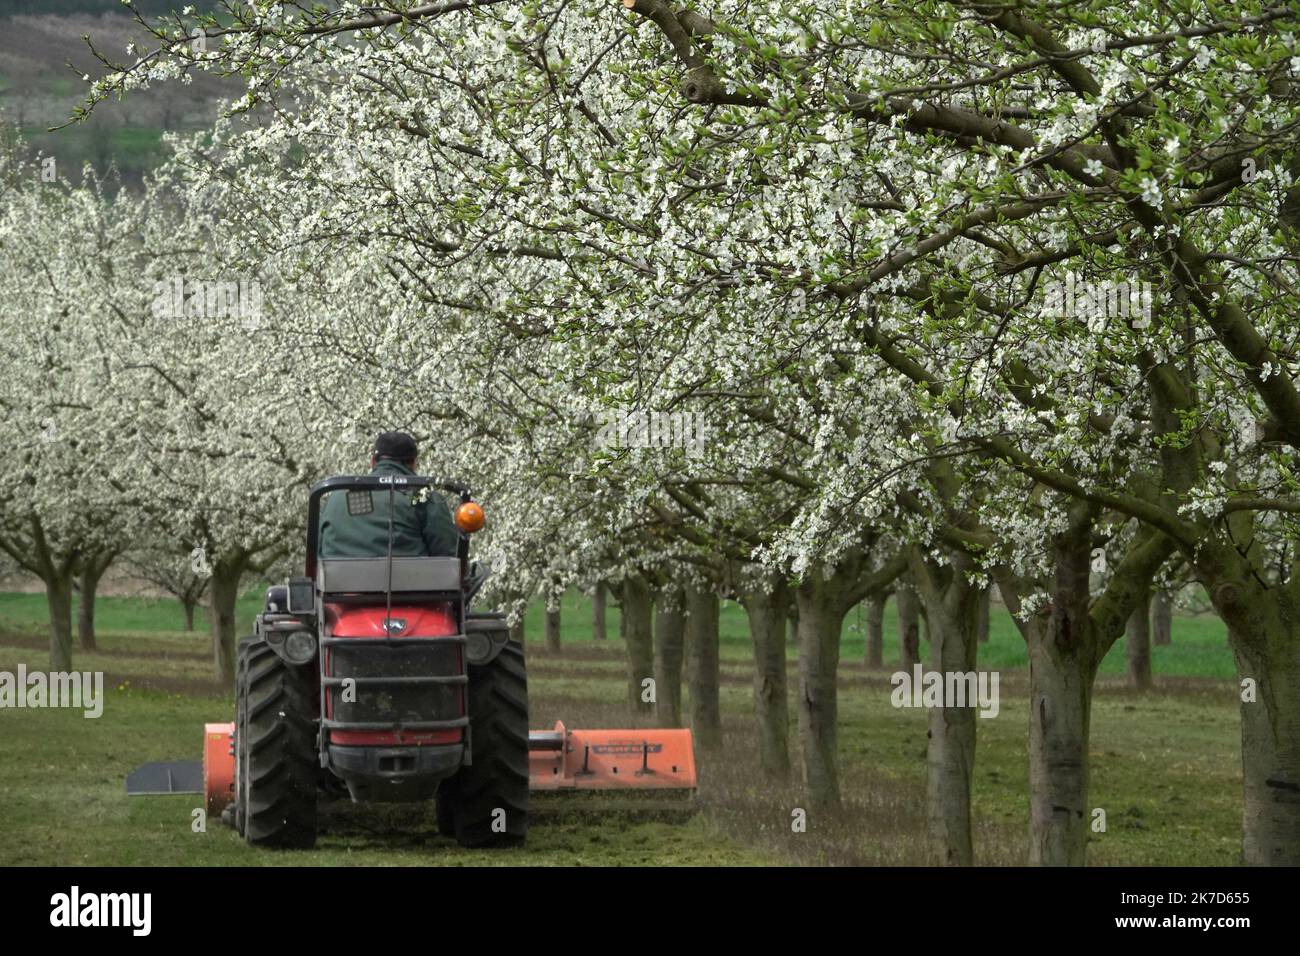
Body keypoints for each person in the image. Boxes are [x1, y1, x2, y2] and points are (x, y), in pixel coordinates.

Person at [318, 431, 459, 558]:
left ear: (373, 462)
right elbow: (447, 557)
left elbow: (317, 552)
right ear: (413, 463)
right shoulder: (424, 498)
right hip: (410, 584)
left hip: (339, 584)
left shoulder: (334, 498)